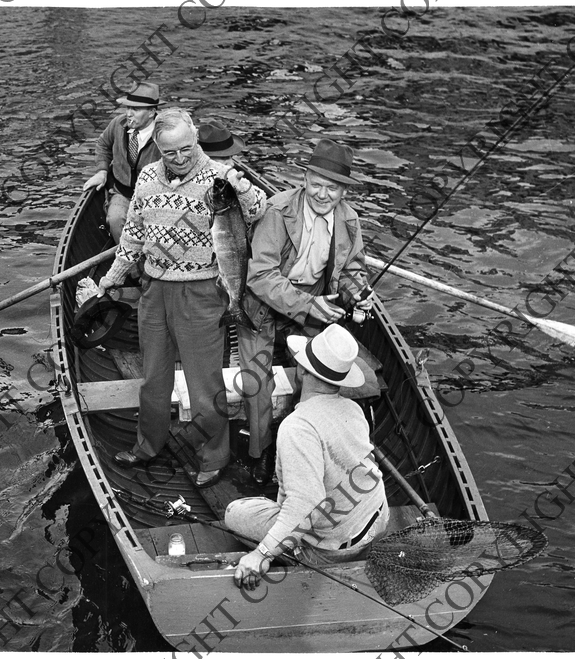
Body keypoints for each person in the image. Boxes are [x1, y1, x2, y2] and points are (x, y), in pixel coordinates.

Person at [98, 108, 266, 488]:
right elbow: (133, 236)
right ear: (157, 147)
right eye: (170, 152)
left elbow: (258, 210)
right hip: (154, 291)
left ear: (195, 138)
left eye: (187, 148)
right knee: (152, 380)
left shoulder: (219, 176)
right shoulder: (147, 177)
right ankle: (147, 445)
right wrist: (111, 278)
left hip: (202, 292)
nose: (180, 158)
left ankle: (215, 455)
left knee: (204, 386)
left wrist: (242, 188)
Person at [237, 138, 374, 485]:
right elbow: (260, 275)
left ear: (344, 191)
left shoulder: (350, 219)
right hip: (264, 305)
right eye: (316, 184)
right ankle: (261, 451)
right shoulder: (276, 211)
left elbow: (353, 268)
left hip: (315, 301)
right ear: (305, 179)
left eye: (332, 188)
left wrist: (357, 293)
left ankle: (301, 443)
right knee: (256, 383)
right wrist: (308, 306)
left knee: (318, 380)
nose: (322, 194)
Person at [225, 324, 389, 590]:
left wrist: (262, 554)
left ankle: (302, 555)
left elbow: (306, 504)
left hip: (334, 549)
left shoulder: (296, 427)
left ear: (301, 370)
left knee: (235, 514)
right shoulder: (353, 407)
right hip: (378, 521)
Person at [83, 81, 163, 243]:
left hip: (155, 197)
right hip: (122, 193)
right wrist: (102, 171)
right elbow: (103, 145)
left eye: (136, 109)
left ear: (151, 112)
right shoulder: (118, 124)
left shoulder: (165, 134)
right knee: (115, 220)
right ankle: (130, 264)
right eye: (128, 108)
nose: (129, 114)